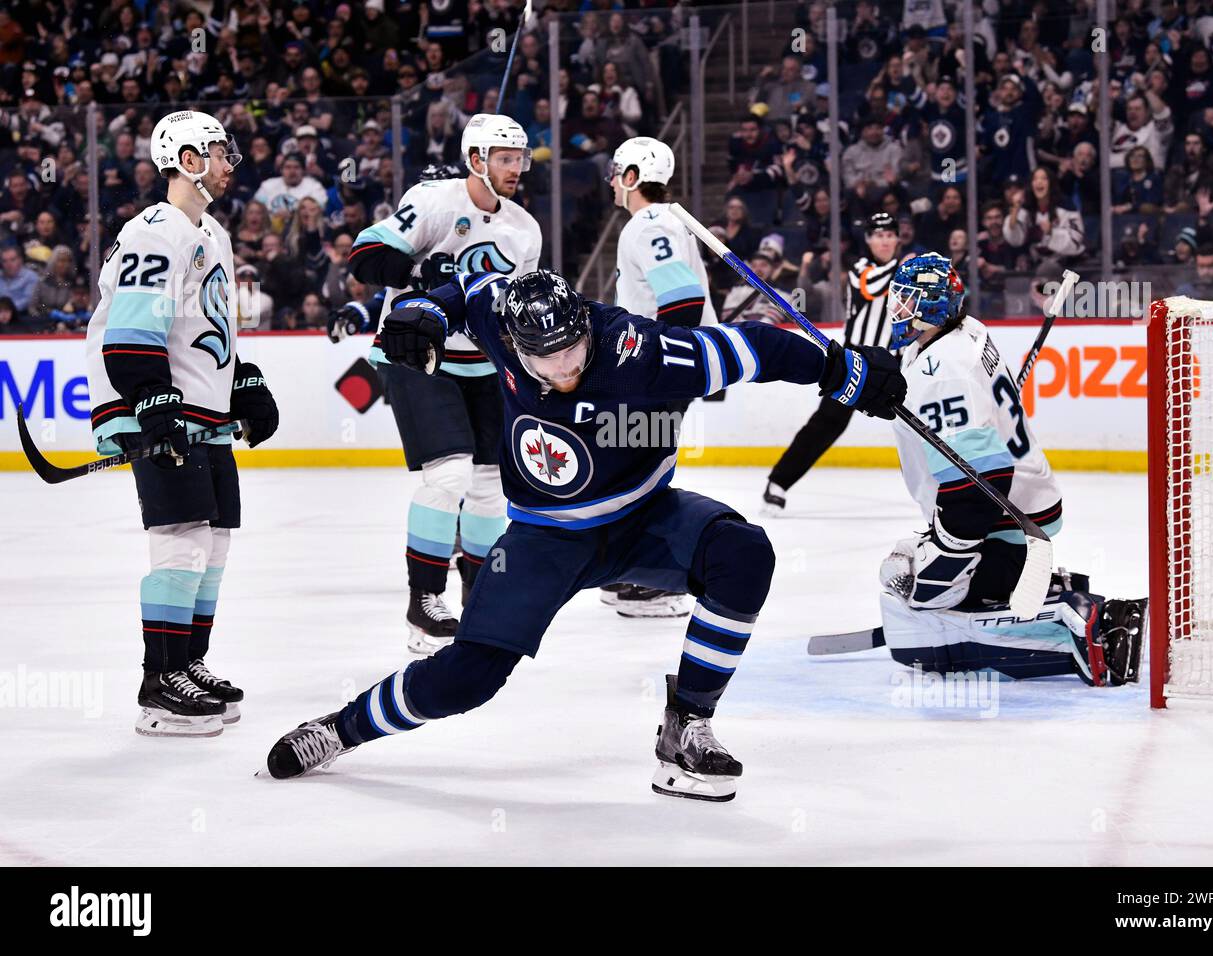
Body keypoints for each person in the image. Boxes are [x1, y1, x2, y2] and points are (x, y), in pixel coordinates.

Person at [265, 267, 907, 800]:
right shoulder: (504, 316)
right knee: (469, 677)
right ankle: (341, 728)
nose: (564, 366)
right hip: (544, 539)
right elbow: (465, 288)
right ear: (513, 346)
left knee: (742, 554)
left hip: (643, 521)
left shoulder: (644, 353)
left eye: (573, 349)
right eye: (545, 357)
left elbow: (756, 347)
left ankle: (688, 726)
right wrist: (426, 310)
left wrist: (842, 370)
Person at [84, 110, 280, 737]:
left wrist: (241, 381)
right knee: (181, 539)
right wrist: (150, 398)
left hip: (203, 408)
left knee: (215, 542)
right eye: (221, 153)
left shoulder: (210, 232)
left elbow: (209, 324)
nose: (231, 164)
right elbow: (129, 332)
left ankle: (188, 665)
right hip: (161, 408)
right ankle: (158, 683)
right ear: (189, 160)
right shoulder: (153, 231)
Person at [869, 253, 1145, 686]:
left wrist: (947, 550)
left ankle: (1070, 629)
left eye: (906, 300)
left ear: (930, 307)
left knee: (912, 589)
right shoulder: (968, 331)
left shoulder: (943, 372)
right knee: (909, 568)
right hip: (1027, 501)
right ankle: (1015, 583)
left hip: (1003, 516)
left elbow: (978, 482)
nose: (896, 308)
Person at [341, 116, 542, 654]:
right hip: (416, 353)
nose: (516, 168)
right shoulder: (434, 199)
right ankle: (424, 599)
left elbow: (516, 307)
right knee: (449, 475)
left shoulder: (524, 229)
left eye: (519, 158)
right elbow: (365, 255)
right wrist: (416, 273)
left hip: (482, 362)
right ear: (476, 159)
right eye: (505, 158)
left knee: (489, 487)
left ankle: (479, 596)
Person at [605, 135, 717, 618]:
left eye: (617, 171)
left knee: (643, 472)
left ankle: (649, 578)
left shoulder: (649, 221)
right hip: (659, 367)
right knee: (634, 466)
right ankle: (633, 573)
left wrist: (660, 365)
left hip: (658, 369)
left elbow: (683, 301)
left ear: (632, 177)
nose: (612, 180)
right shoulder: (660, 222)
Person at [762, 212, 903, 513]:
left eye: (890, 235)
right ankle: (778, 482)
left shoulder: (903, 273)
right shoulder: (861, 269)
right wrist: (905, 267)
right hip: (858, 363)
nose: (885, 240)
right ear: (868, 239)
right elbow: (872, 288)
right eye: (878, 235)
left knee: (921, 425)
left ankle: (950, 493)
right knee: (827, 424)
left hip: (896, 363)